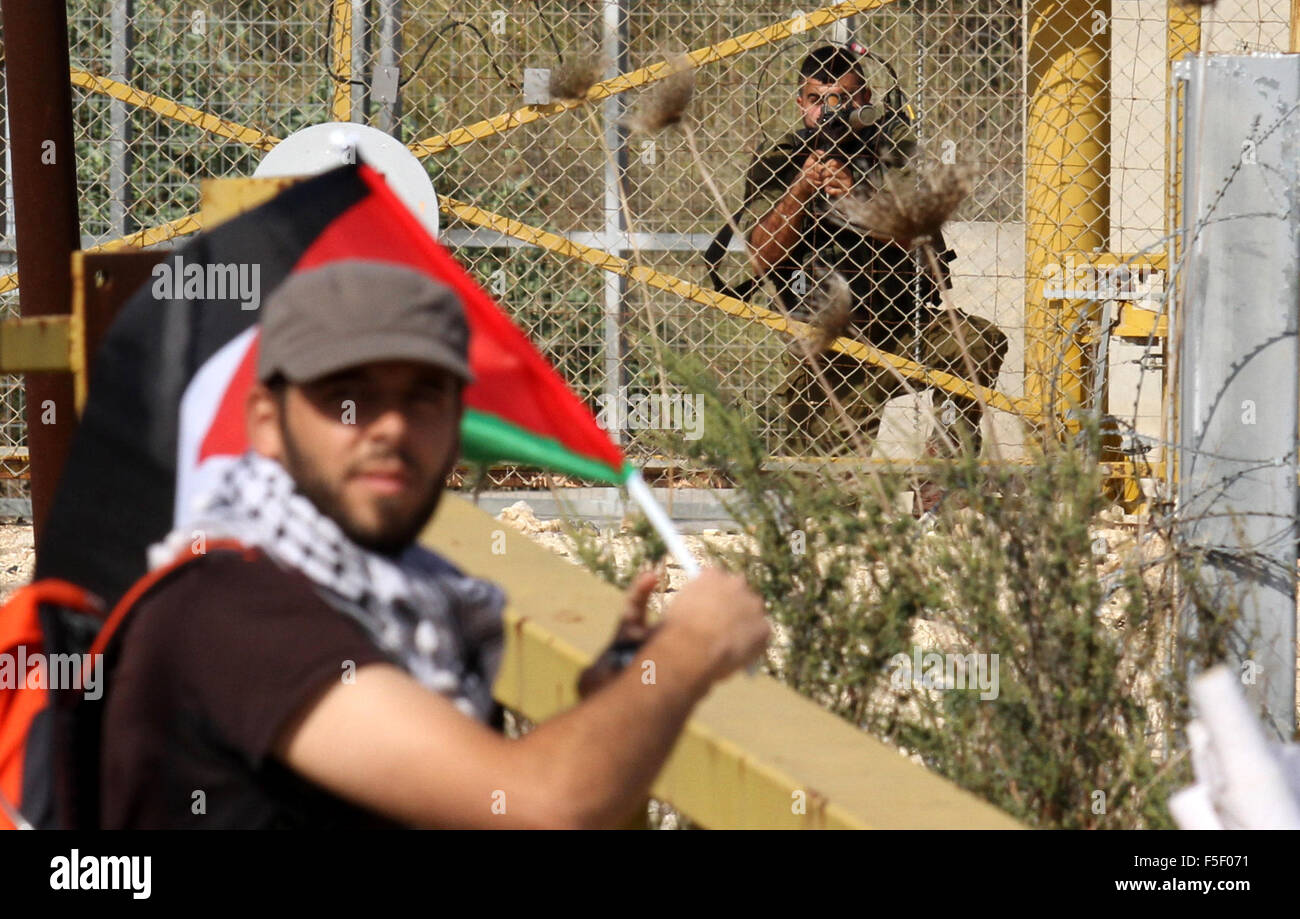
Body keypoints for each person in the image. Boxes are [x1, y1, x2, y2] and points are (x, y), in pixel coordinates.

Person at [99, 259, 770, 829]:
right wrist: (689, 649)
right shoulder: (229, 605)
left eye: (422, 396)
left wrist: (614, 700)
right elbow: (542, 803)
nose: (388, 426)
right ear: (267, 423)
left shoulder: (415, 597)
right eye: (347, 397)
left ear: (456, 421)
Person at [740, 44, 1007, 505]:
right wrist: (802, 190)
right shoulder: (780, 160)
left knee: (980, 341)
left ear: (865, 101)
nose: (829, 111)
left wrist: (862, 202)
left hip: (906, 330)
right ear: (801, 103)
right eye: (818, 99)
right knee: (834, 497)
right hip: (829, 345)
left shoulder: (895, 156)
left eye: (843, 99)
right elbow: (759, 258)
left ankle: (943, 464)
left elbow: (929, 255)